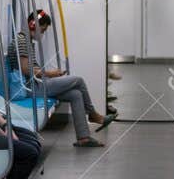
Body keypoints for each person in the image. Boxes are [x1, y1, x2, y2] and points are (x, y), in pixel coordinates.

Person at [13, 11, 112, 148]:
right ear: (33, 24)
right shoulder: (22, 41)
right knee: (79, 80)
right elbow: (25, 69)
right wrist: (50, 74)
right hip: (32, 87)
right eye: (42, 30)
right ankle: (93, 114)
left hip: (37, 84)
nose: (42, 33)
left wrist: (49, 75)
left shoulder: (27, 41)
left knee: (76, 94)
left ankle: (84, 137)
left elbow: (30, 69)